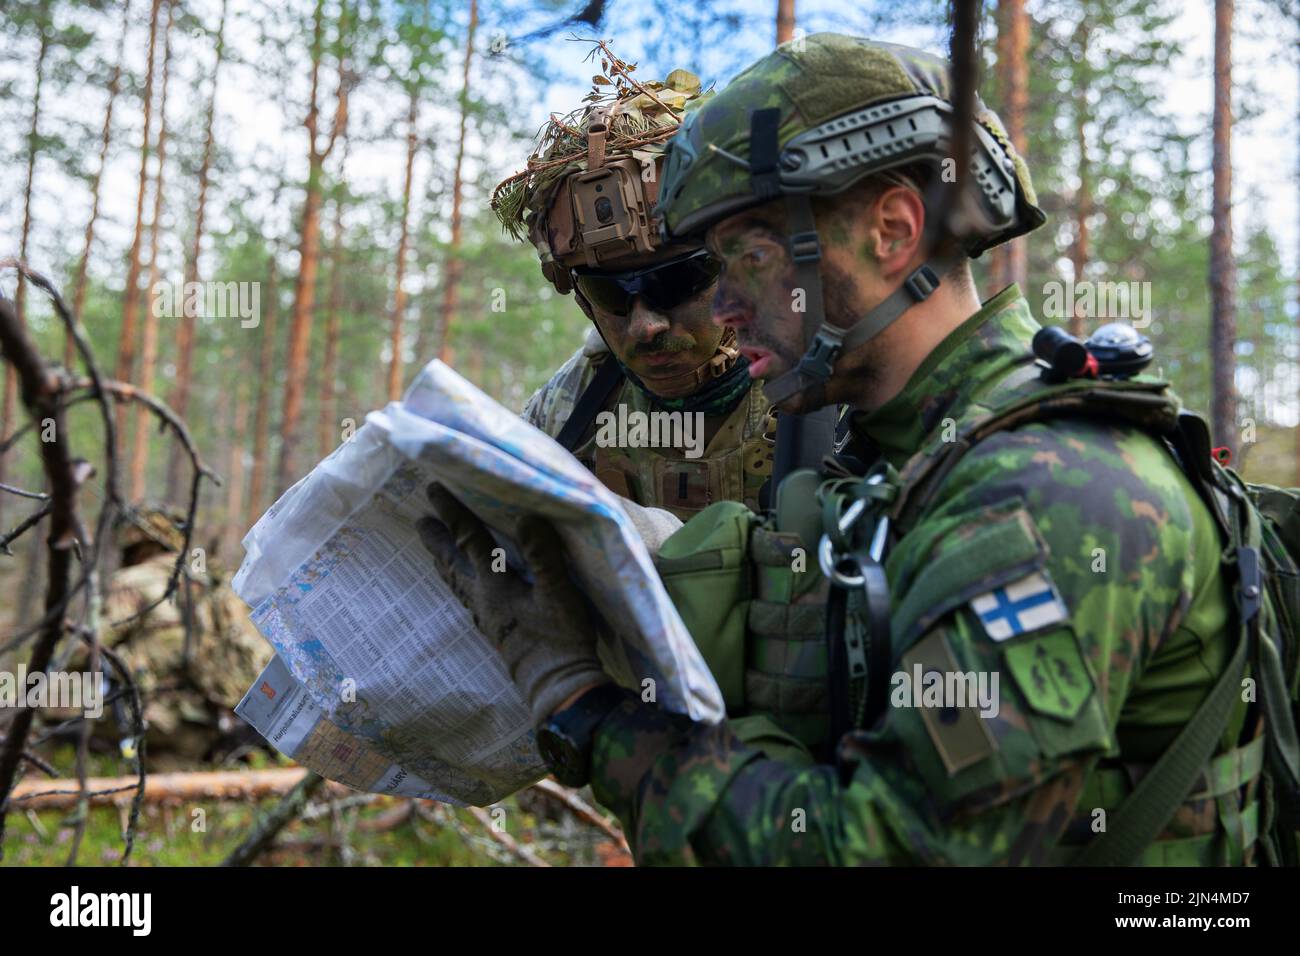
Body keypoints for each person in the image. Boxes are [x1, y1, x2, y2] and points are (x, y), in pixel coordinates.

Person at [418, 34, 1277, 865]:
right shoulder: (897, 463)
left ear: (894, 231)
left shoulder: (1040, 492)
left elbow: (876, 846)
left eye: (744, 260)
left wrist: (583, 706)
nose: (719, 312)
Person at [496, 64, 777, 521]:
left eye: (674, 281)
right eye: (610, 293)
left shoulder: (831, 394)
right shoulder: (569, 412)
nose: (645, 326)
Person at [83, 506, 272, 769]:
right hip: (222, 719)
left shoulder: (134, 580)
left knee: (57, 703)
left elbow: (86, 646)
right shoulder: (214, 581)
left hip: (160, 720)